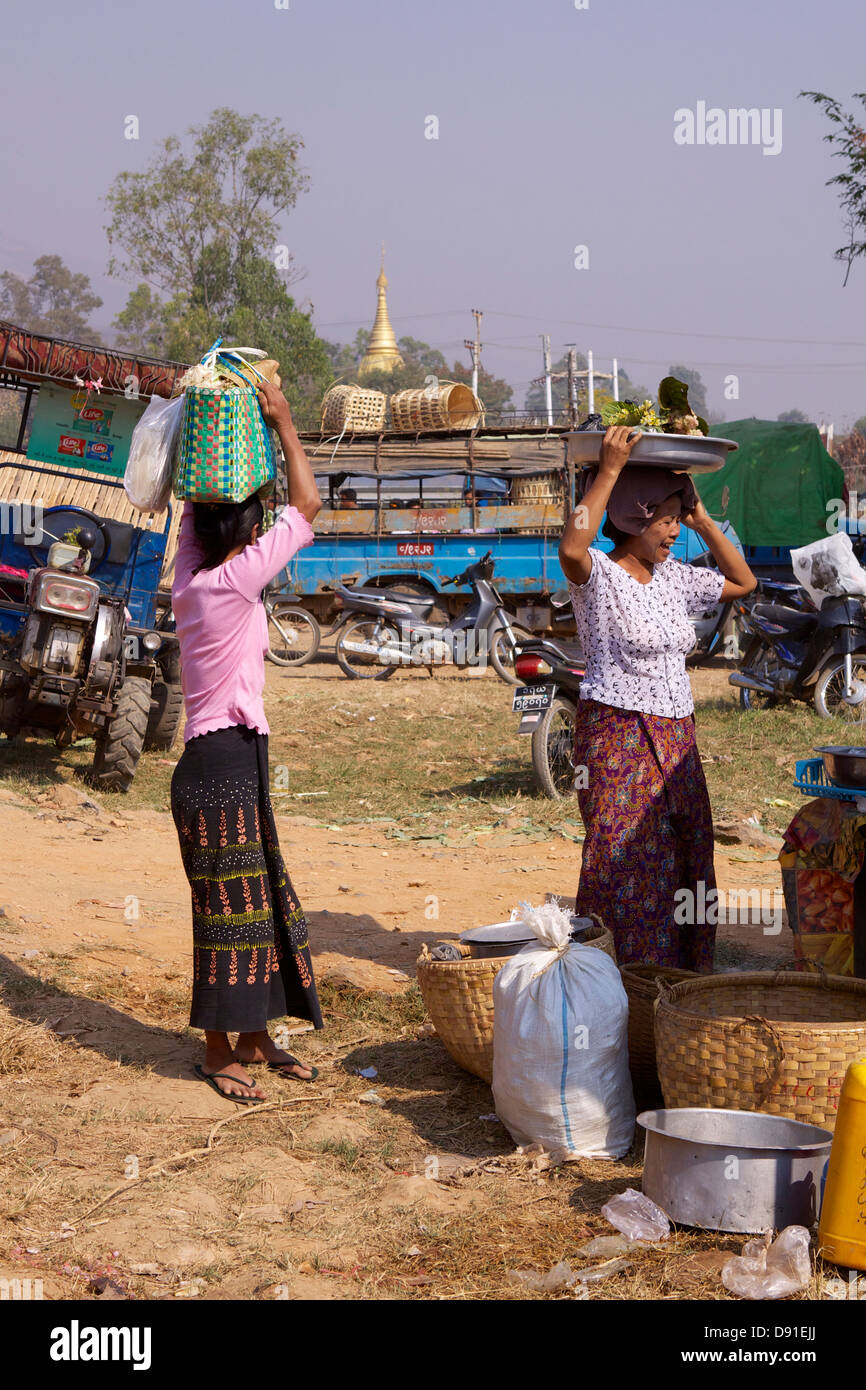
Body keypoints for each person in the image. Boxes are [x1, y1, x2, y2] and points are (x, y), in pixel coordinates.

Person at [170, 379, 323, 1103]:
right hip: (220, 758)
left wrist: (194, 459)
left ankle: (256, 1036)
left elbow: (189, 522)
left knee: (257, 899)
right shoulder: (233, 581)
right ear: (242, 537)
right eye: (255, 524)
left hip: (230, 756)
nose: (266, 531)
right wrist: (284, 423)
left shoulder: (190, 579)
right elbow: (310, 505)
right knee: (228, 910)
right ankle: (215, 1050)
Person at [558, 426, 756, 971]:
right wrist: (610, 471)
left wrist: (703, 520)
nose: (674, 530)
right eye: (666, 518)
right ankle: (614, 974)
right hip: (617, 733)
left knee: (689, 849)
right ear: (634, 515)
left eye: (676, 517)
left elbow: (743, 582)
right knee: (622, 857)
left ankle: (680, 972)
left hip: (677, 734)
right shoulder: (596, 575)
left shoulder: (673, 577)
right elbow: (573, 544)